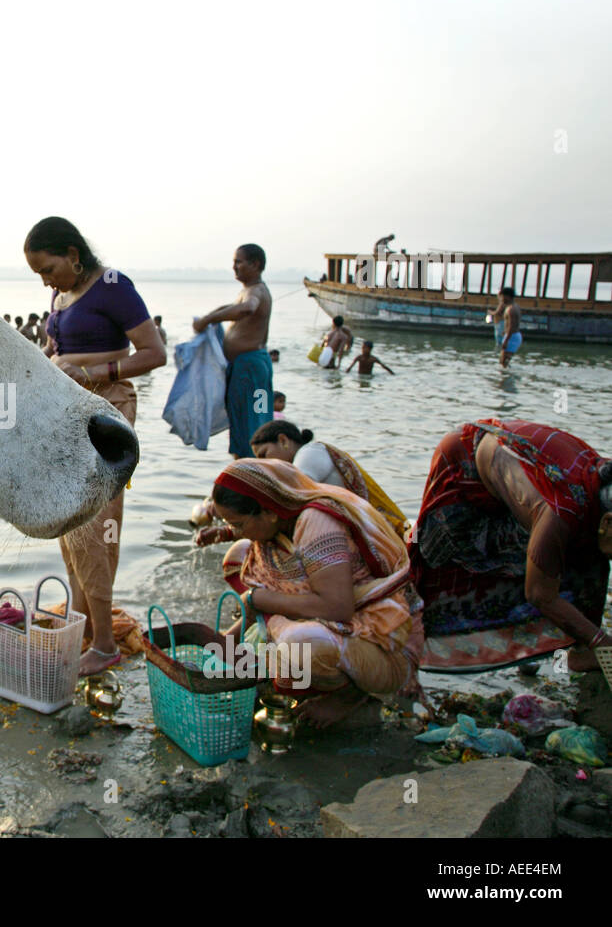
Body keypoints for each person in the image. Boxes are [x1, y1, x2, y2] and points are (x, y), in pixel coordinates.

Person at [25, 216, 167, 675]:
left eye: (49, 269)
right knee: (70, 523)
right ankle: (86, 629)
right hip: (68, 410)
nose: (46, 280)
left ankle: (105, 644)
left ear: (72, 253)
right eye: (39, 275)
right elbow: (57, 350)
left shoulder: (111, 286)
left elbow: (153, 352)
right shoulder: (60, 295)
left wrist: (92, 374)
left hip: (107, 410)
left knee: (96, 522)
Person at [210, 458, 425, 727]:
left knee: (298, 645)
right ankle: (305, 679)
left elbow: (338, 608)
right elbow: (264, 602)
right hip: (342, 627)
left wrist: (259, 600)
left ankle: (351, 696)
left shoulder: (317, 522)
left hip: (387, 646)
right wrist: (221, 645)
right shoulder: (278, 528)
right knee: (238, 556)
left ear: (269, 513)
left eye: (239, 524)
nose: (235, 531)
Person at [410, 419, 612, 673]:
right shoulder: (560, 514)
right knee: (440, 564)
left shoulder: (602, 485)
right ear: (608, 521)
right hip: (462, 461)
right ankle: (402, 646)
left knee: (590, 560)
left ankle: (576, 651)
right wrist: (602, 642)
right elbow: (539, 595)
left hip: (521, 478)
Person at [197, 419, 406, 542]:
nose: (263, 464)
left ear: (283, 440)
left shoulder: (311, 452)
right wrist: (230, 528)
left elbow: (287, 499)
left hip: (384, 536)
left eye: (264, 455)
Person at [193, 244, 274, 458]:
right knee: (242, 418)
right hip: (246, 367)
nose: (234, 267)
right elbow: (231, 306)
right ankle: (245, 466)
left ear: (255, 264)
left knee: (254, 419)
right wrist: (207, 317)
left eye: (239, 262)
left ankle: (254, 467)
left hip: (251, 367)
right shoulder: (248, 290)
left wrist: (209, 319)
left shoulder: (256, 291)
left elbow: (247, 308)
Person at [490, 287, 522, 368]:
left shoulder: (511, 309)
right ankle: (506, 378)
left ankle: (506, 379)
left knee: (503, 363)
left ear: (507, 296)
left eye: (502, 296)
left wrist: (506, 340)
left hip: (512, 336)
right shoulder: (515, 306)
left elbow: (511, 326)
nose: (501, 299)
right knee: (504, 362)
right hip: (513, 335)